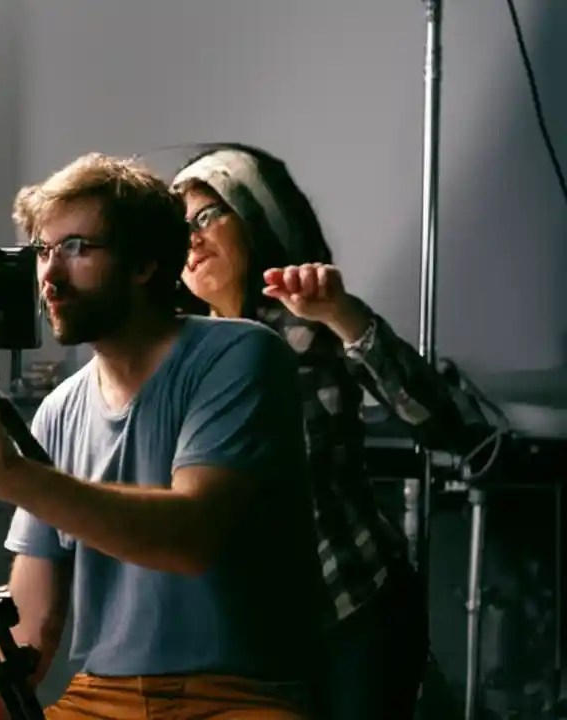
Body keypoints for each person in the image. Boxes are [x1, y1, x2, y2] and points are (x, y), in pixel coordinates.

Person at [0, 152, 328, 719]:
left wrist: (7, 474)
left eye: (77, 248)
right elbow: (31, 623)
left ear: (145, 263)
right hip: (100, 698)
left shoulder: (241, 354)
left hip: (237, 698)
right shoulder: (58, 411)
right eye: (43, 250)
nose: (50, 276)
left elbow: (190, 537)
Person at [170, 143, 474, 720]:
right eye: (180, 227)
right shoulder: (177, 351)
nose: (193, 238)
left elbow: (445, 425)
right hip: (245, 629)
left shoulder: (308, 321)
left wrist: (341, 314)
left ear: (255, 216)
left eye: (208, 215)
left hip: (354, 606)